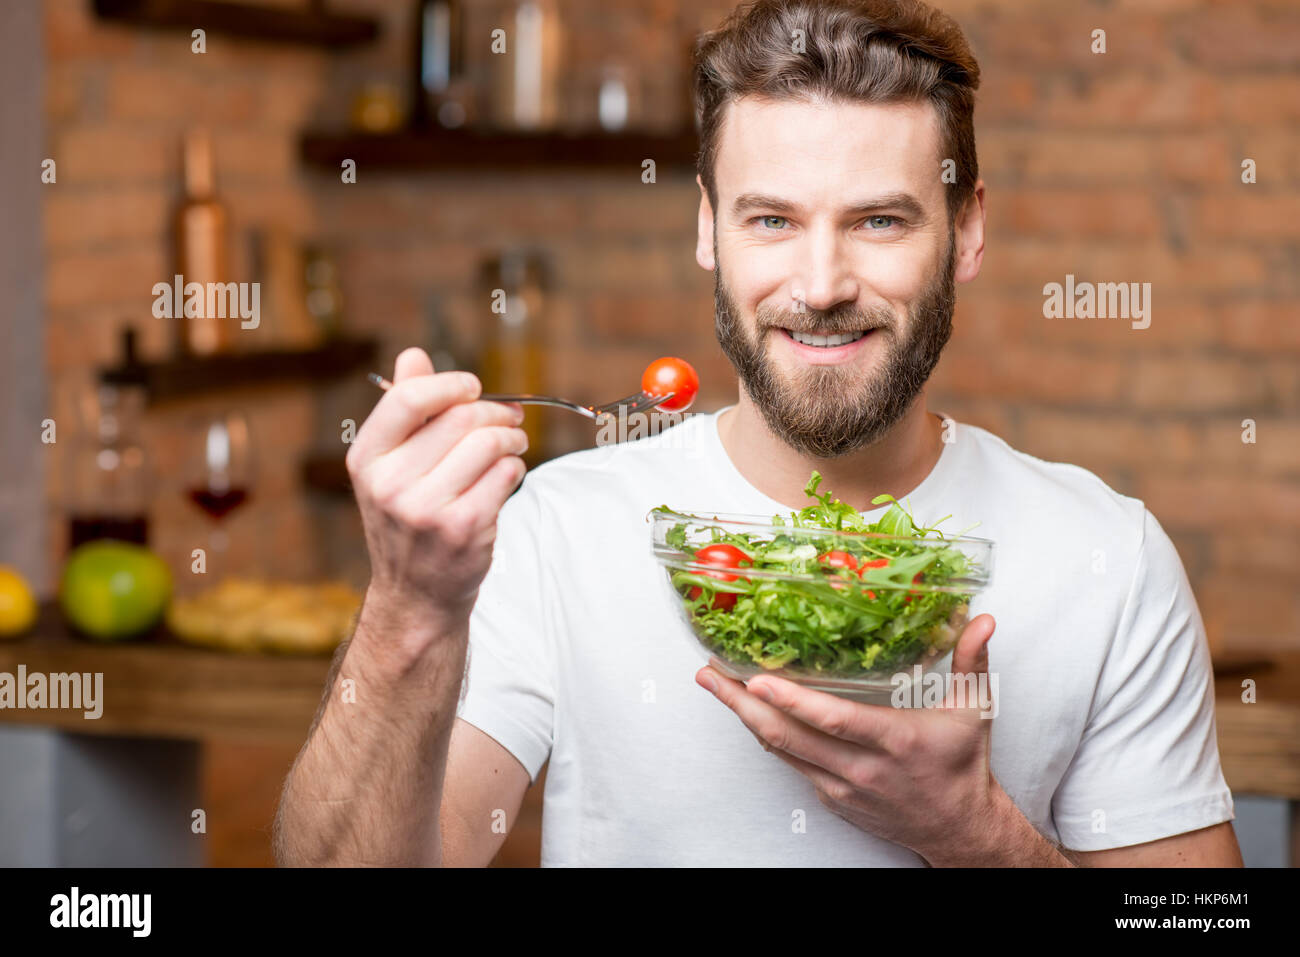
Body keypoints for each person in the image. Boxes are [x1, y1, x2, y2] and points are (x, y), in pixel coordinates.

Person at [275, 0, 1241, 867]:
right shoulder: (555, 532)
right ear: (708, 229)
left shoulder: (1108, 557)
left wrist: (974, 834)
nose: (820, 285)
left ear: (967, 230)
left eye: (879, 221)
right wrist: (408, 609)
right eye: (772, 218)